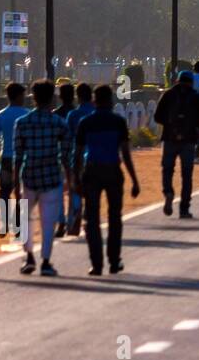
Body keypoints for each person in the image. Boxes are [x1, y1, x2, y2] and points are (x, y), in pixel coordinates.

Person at [75, 85, 139, 275]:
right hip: (113, 171)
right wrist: (134, 180)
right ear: (111, 101)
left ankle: (96, 264)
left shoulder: (85, 122)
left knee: (92, 219)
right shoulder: (118, 121)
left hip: (92, 171)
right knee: (114, 218)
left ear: (94, 101)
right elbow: (126, 153)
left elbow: (77, 154)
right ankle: (114, 260)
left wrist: (76, 180)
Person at [12, 79, 73, 276]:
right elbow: (65, 156)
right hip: (51, 178)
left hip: (29, 176)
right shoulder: (59, 123)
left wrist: (15, 181)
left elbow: (17, 155)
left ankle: (29, 256)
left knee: (25, 219)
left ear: (34, 98)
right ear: (52, 98)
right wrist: (70, 179)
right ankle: (45, 261)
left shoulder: (22, 123)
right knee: (49, 222)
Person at [153, 70, 199, 219]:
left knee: (167, 169)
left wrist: (170, 125)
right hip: (188, 140)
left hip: (169, 139)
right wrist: (191, 125)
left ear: (177, 80)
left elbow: (157, 116)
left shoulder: (168, 94)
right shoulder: (195, 97)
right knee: (187, 175)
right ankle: (184, 208)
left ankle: (168, 192)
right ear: (191, 82)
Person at [0, 81, 30, 239]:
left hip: (6, 160)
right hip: (24, 160)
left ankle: (4, 223)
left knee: (4, 192)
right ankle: (18, 226)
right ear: (20, 96)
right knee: (22, 193)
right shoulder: (28, 114)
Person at [63, 82, 94, 238]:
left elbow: (67, 139)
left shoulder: (73, 115)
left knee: (75, 189)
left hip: (77, 156)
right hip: (94, 156)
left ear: (78, 96)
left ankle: (75, 217)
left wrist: (66, 159)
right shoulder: (96, 112)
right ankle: (88, 217)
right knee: (92, 191)